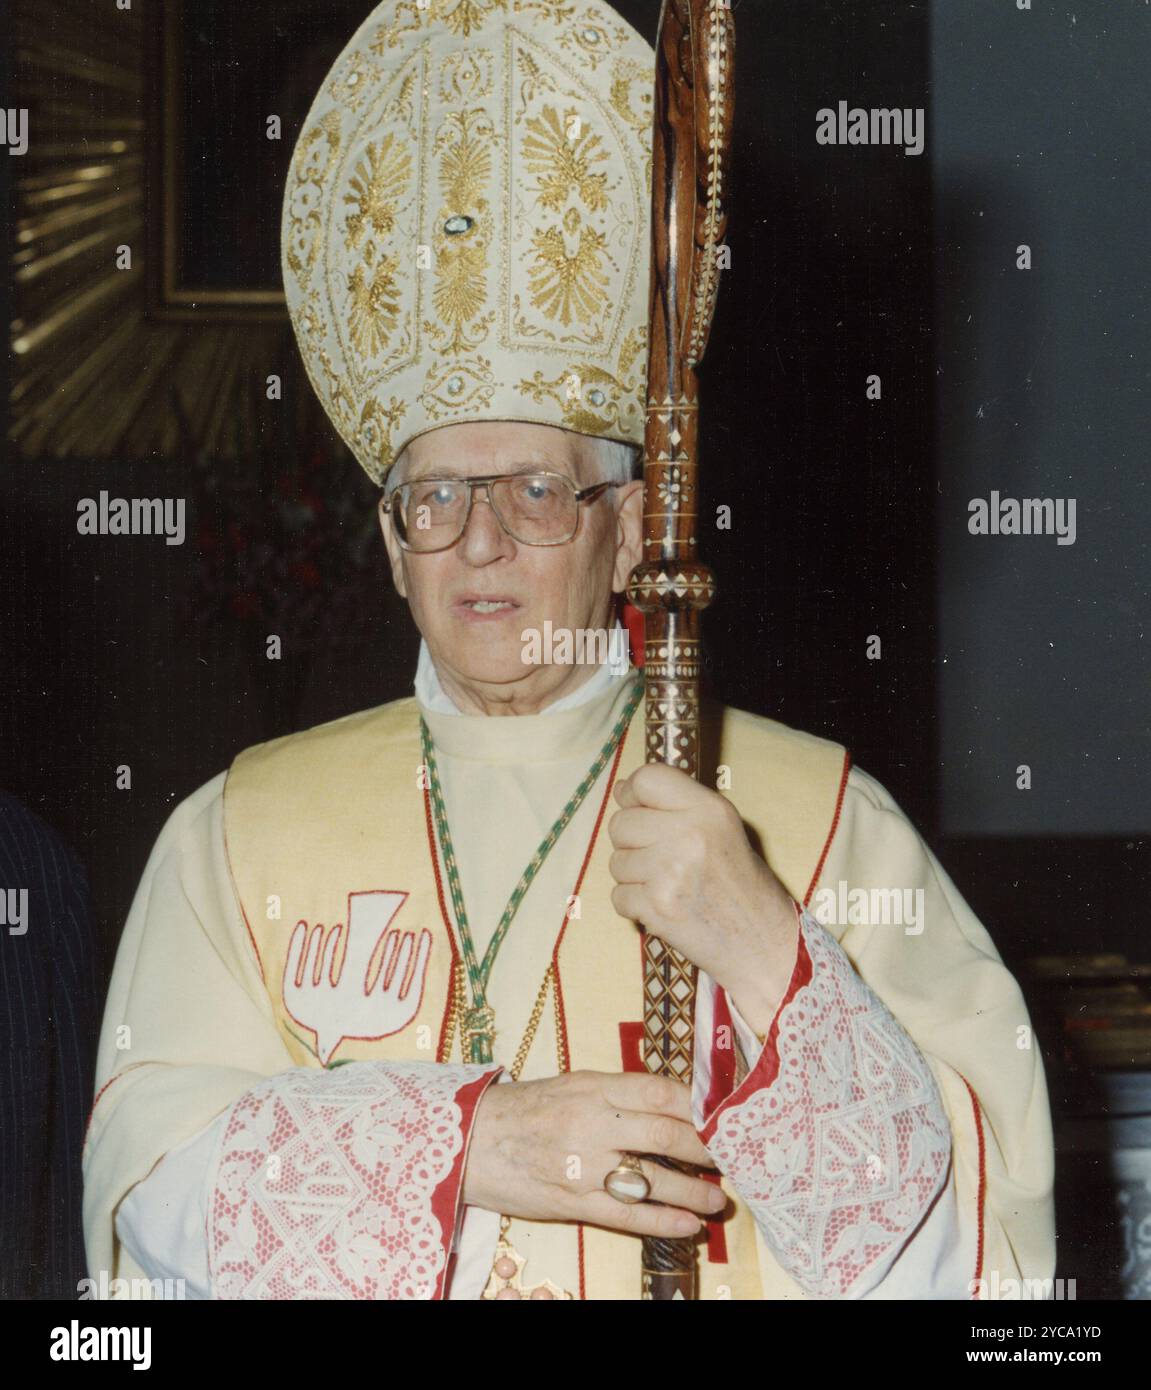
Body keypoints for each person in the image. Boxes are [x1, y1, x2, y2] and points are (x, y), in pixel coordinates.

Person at [82, 0, 1054, 1300]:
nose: (479, 544)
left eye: (536, 492)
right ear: (387, 540)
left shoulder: (817, 828)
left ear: (630, 527)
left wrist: (768, 946)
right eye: (434, 497)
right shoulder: (234, 842)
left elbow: (965, 1251)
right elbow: (147, 1193)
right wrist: (465, 1141)